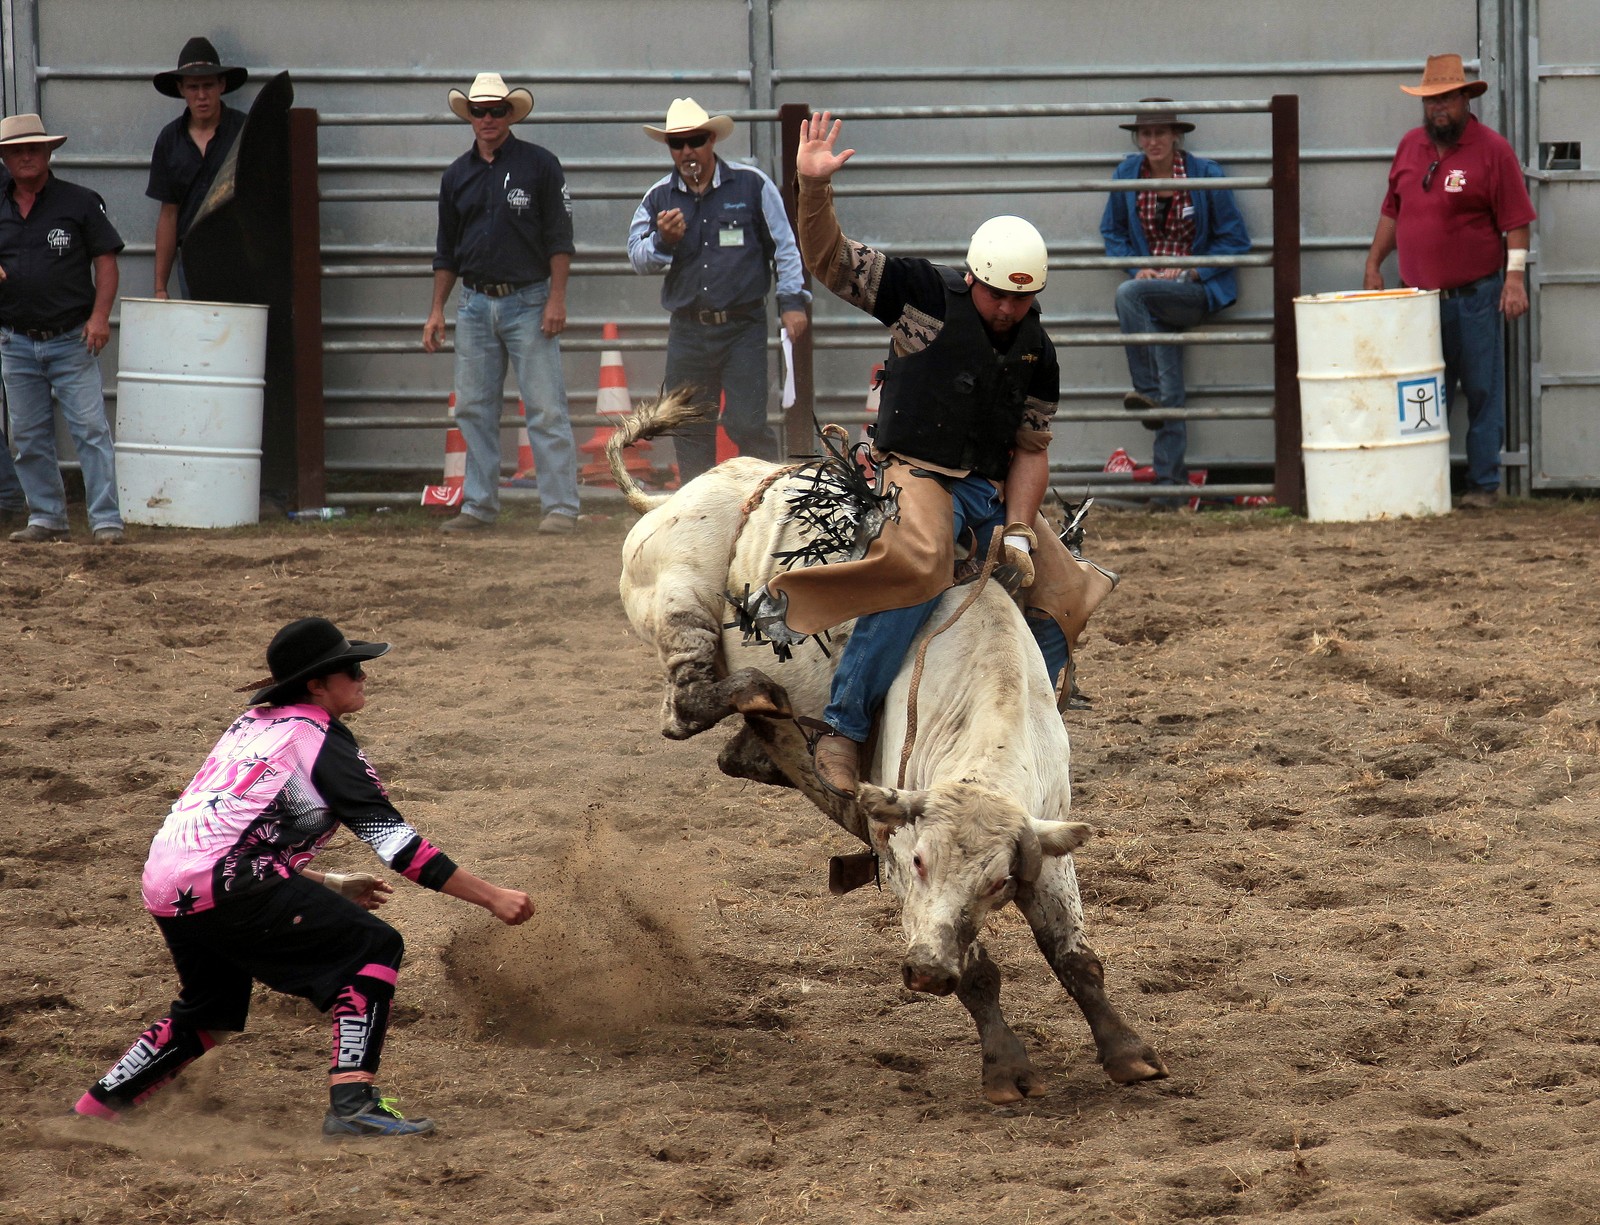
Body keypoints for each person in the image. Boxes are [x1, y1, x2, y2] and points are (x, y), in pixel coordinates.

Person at [749, 111, 1113, 797]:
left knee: (1069, 590)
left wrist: (1016, 527)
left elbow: (1032, 447)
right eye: (1000, 294)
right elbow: (831, 261)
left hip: (988, 485)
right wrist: (813, 190)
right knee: (920, 563)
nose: (1008, 308)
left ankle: (1021, 725)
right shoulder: (919, 294)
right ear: (974, 278)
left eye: (1022, 296)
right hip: (912, 471)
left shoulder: (1039, 352)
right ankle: (845, 726)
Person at [73, 617, 536, 1138]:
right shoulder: (320, 740)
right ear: (316, 684)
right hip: (230, 882)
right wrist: (491, 896)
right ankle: (352, 1105)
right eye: (351, 668)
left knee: (212, 1011)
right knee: (372, 947)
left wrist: (325, 883)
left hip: (166, 880)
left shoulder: (254, 724)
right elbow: (396, 844)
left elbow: (230, 826)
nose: (363, 676)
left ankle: (97, 1108)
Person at [1364, 54, 1536, 508]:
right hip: (1417, 298)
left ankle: (1482, 487)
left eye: (1446, 98)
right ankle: (1425, 485)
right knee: (1421, 392)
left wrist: (1513, 278)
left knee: (1481, 389)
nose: (1438, 108)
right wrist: (1373, 263)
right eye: (1430, 100)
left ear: (1465, 98)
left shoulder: (1493, 150)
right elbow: (1391, 210)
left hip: (1475, 294)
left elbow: (1516, 221)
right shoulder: (1409, 146)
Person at [423, 72, 580, 535]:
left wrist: (556, 298)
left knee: (545, 405)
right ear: (469, 116)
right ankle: (479, 504)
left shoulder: (541, 165)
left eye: (495, 111)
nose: (487, 118)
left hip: (530, 301)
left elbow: (559, 237)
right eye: (479, 111)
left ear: (509, 115)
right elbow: (446, 249)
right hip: (473, 302)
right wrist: (437, 309)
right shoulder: (456, 176)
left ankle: (560, 507)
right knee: (473, 405)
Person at [627, 98, 810, 482]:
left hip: (742, 325)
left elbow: (785, 245)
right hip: (688, 329)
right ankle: (700, 516)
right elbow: (638, 256)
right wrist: (663, 241)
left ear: (711, 140)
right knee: (690, 425)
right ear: (670, 149)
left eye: (694, 140)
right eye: (677, 143)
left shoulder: (751, 183)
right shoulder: (658, 196)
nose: (687, 151)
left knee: (746, 422)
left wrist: (792, 301)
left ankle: (768, 501)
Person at [1099, 99, 1251, 492]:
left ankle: (1146, 393)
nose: (1153, 141)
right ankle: (1170, 485)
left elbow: (1235, 239)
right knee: (1171, 383)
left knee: (1129, 295)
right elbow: (1112, 233)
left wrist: (1194, 268)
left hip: (1193, 291)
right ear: (1137, 138)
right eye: (1146, 134)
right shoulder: (1126, 175)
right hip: (1152, 299)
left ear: (1176, 135)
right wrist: (1139, 266)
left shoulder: (1204, 174)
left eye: (1161, 133)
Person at [0, 114, 125, 545]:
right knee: (27, 435)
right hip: (14, 339)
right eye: (16, 150)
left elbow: (106, 262)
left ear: (49, 152)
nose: (26, 156)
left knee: (90, 430)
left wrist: (100, 317)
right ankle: (48, 518)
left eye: (33, 148)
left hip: (73, 337)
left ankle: (106, 520)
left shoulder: (80, 202)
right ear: (5, 158)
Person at [146, 36, 249, 300]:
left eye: (208, 86)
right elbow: (169, 214)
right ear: (181, 89)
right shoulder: (169, 140)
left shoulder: (245, 132)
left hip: (243, 259)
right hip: (191, 260)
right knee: (199, 336)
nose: (201, 96)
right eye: (193, 87)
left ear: (221, 85)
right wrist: (160, 287)